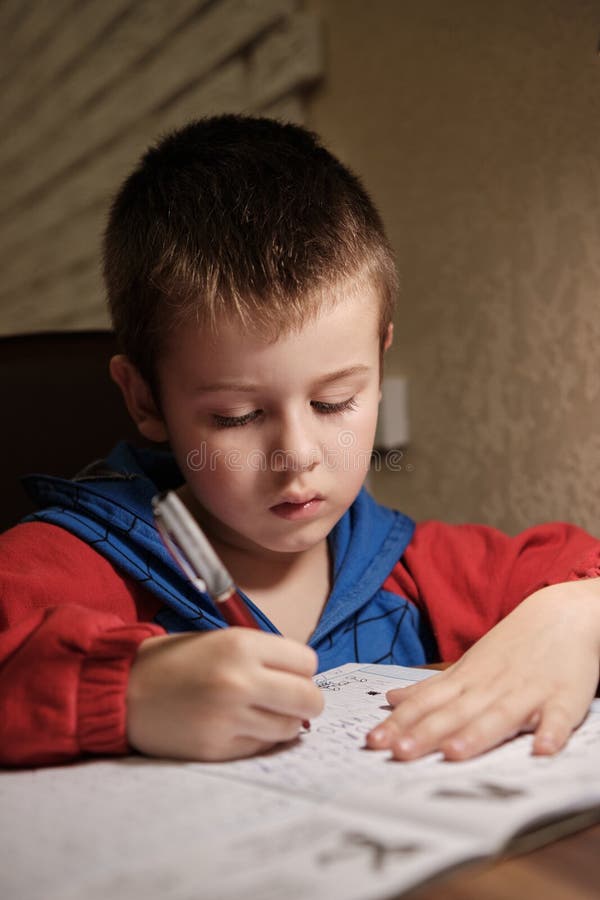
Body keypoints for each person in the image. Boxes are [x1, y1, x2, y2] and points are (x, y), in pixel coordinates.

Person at [1, 115, 599, 769]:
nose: (299, 454)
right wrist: (123, 691)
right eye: (235, 415)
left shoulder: (420, 570)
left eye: (334, 402)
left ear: (379, 361)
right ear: (145, 399)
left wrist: (579, 614)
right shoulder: (75, 566)